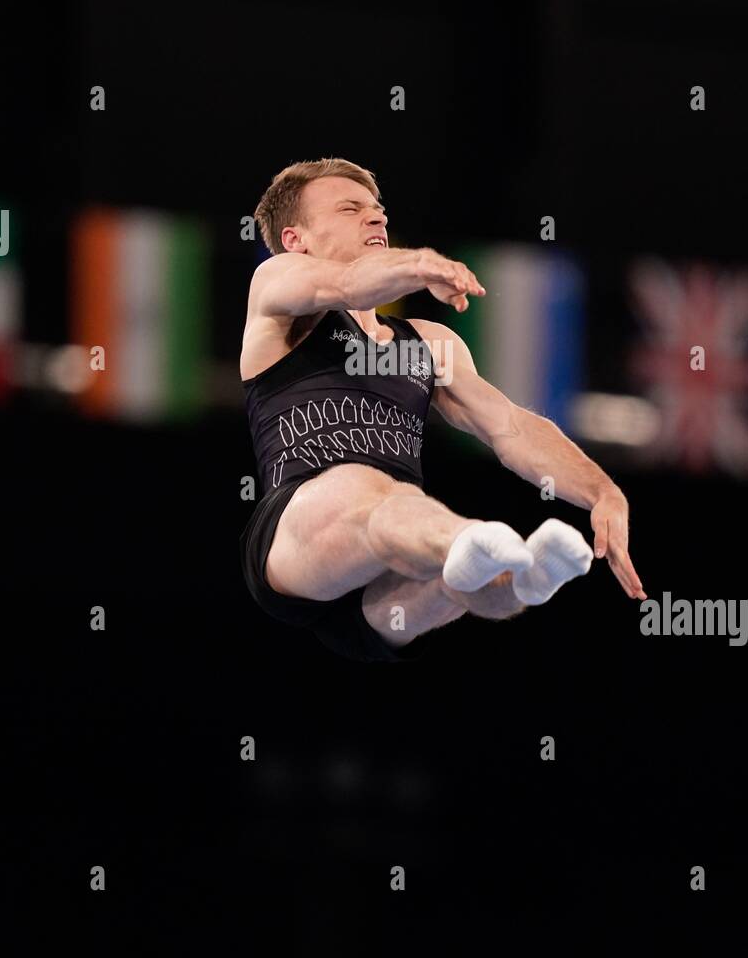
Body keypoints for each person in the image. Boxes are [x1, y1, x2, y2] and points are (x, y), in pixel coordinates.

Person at [240, 158, 645, 663]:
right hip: (298, 539)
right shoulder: (277, 290)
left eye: (379, 210)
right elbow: (345, 286)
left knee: (470, 583)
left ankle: (527, 578)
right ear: (295, 238)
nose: (377, 219)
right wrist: (419, 265)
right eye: (351, 208)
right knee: (372, 493)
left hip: (391, 574)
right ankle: (465, 536)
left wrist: (601, 492)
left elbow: (511, 428)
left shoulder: (429, 345)